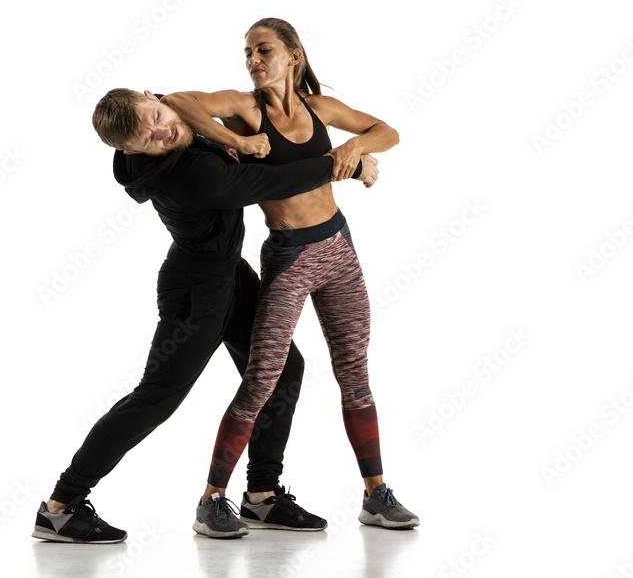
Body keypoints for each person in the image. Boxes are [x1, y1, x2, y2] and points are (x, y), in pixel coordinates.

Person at [31, 87, 376, 543]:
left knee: (286, 368)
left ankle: (262, 496)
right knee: (156, 398)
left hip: (230, 274)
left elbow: (180, 102)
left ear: (149, 96)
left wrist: (218, 131)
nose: (164, 129)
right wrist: (343, 164)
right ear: (130, 150)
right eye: (149, 137)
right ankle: (60, 506)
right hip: (196, 292)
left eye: (156, 114)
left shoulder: (168, 113)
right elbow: (269, 182)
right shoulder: (192, 176)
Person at [161, 18, 419, 535]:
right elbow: (176, 100)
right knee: (262, 378)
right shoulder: (243, 108)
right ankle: (213, 500)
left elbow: (387, 130)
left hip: (340, 249)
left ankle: (376, 494)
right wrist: (231, 138)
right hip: (290, 257)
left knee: (355, 375)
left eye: (264, 50)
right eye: (248, 52)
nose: (254, 60)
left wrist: (353, 149)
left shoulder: (320, 109)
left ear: (293, 55)